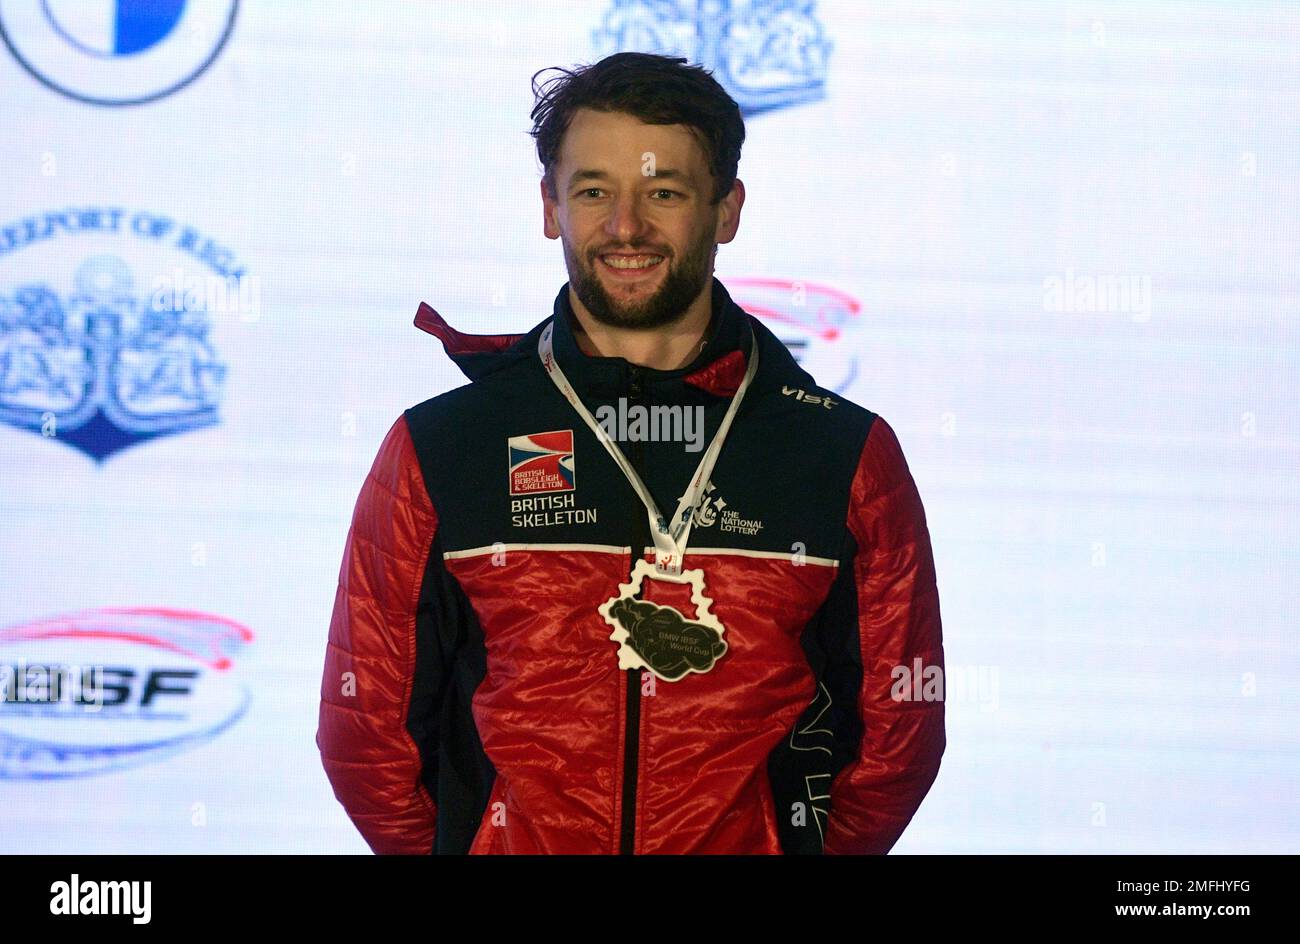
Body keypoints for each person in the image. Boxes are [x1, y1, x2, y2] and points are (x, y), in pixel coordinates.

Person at [316, 51, 945, 854]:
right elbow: (366, 738)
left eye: (665, 193)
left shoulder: (840, 454)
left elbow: (900, 738)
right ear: (551, 206)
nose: (626, 227)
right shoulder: (445, 446)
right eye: (594, 192)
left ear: (727, 209)